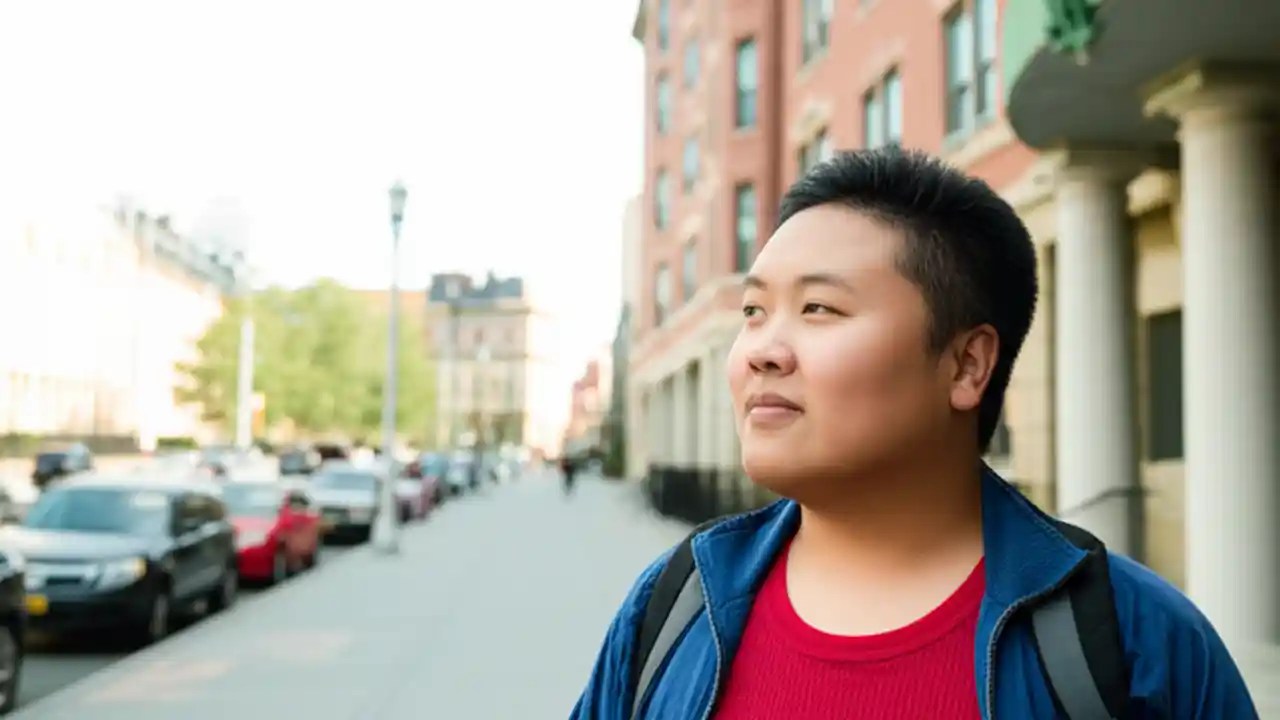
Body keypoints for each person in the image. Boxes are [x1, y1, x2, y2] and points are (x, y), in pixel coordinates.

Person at [571, 149, 1255, 719]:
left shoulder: (1137, 645)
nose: (761, 350)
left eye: (818, 308)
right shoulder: (675, 609)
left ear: (966, 365)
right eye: (754, 310)